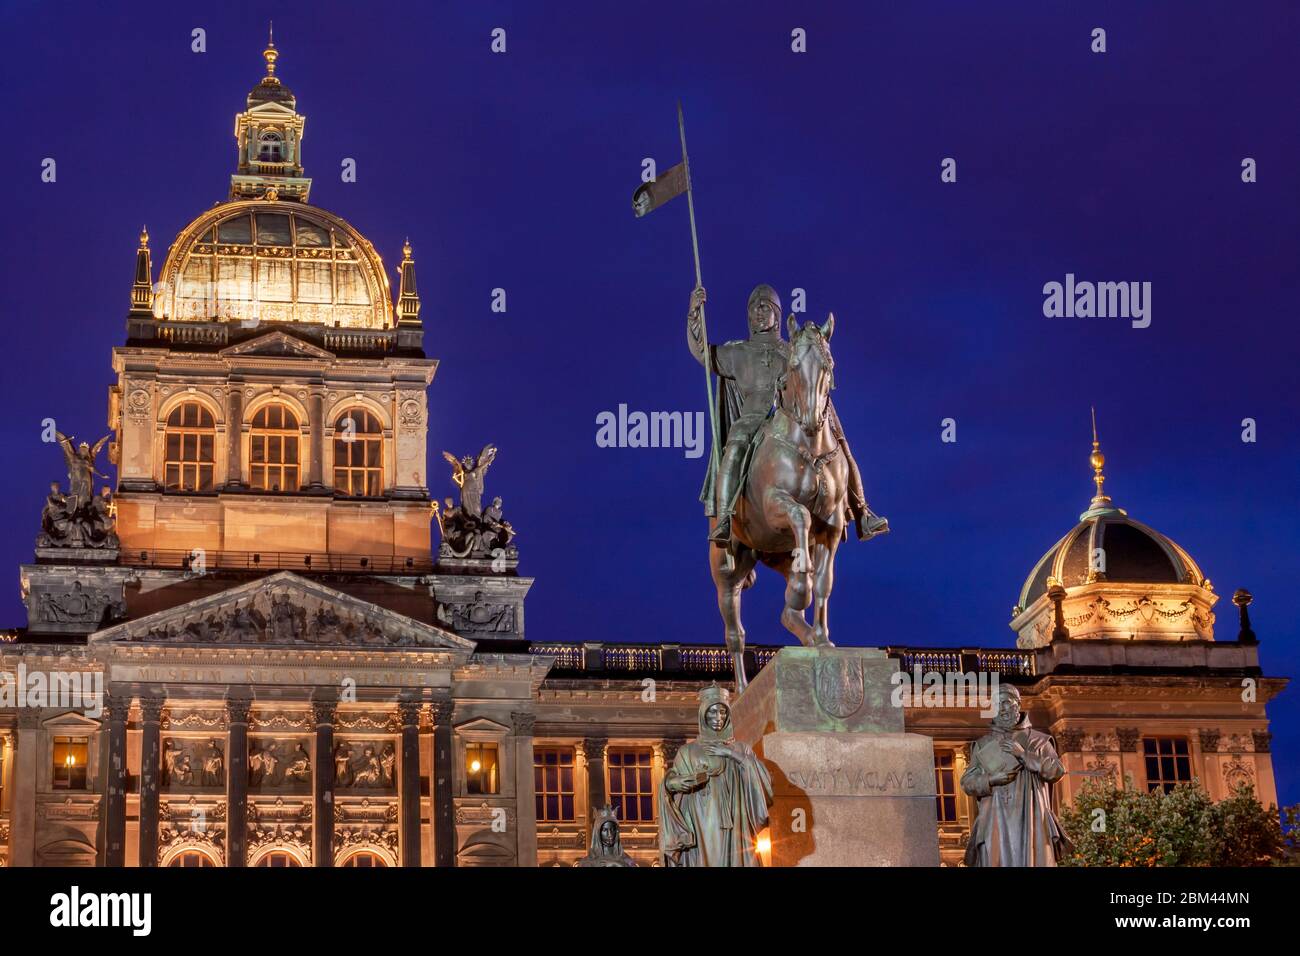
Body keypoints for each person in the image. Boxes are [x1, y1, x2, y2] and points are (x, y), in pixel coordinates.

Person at [659, 685, 772, 866]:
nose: (718, 718)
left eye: (722, 712)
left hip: (737, 819)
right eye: (712, 712)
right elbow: (670, 784)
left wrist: (730, 754)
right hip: (702, 820)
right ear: (703, 714)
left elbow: (761, 780)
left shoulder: (741, 749)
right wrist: (676, 782)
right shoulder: (688, 751)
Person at [961, 684, 1070, 866]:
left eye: (1005, 702)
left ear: (1017, 705)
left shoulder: (1038, 740)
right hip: (996, 817)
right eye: (996, 704)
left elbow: (1057, 771)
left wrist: (1024, 755)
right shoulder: (984, 744)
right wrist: (990, 779)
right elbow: (967, 783)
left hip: (1032, 816)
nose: (1001, 708)